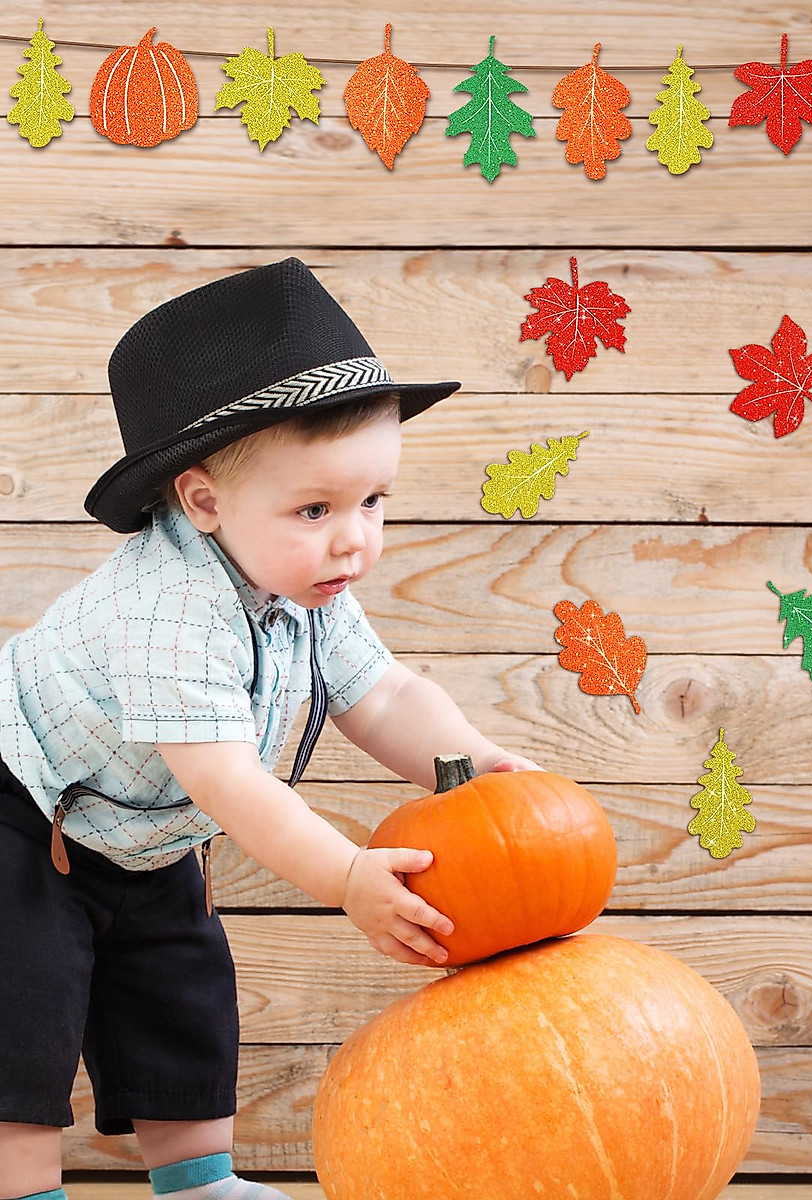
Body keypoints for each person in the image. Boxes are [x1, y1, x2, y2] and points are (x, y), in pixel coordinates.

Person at [0, 258, 540, 1200]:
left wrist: (469, 764)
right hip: (23, 812)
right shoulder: (164, 607)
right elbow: (225, 778)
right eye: (316, 509)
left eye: (373, 501)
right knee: (23, 1005)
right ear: (204, 501)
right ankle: (22, 1185)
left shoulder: (307, 584)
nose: (353, 538)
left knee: (183, 983)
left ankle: (199, 1178)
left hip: (148, 826)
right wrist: (345, 877)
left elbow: (382, 696)